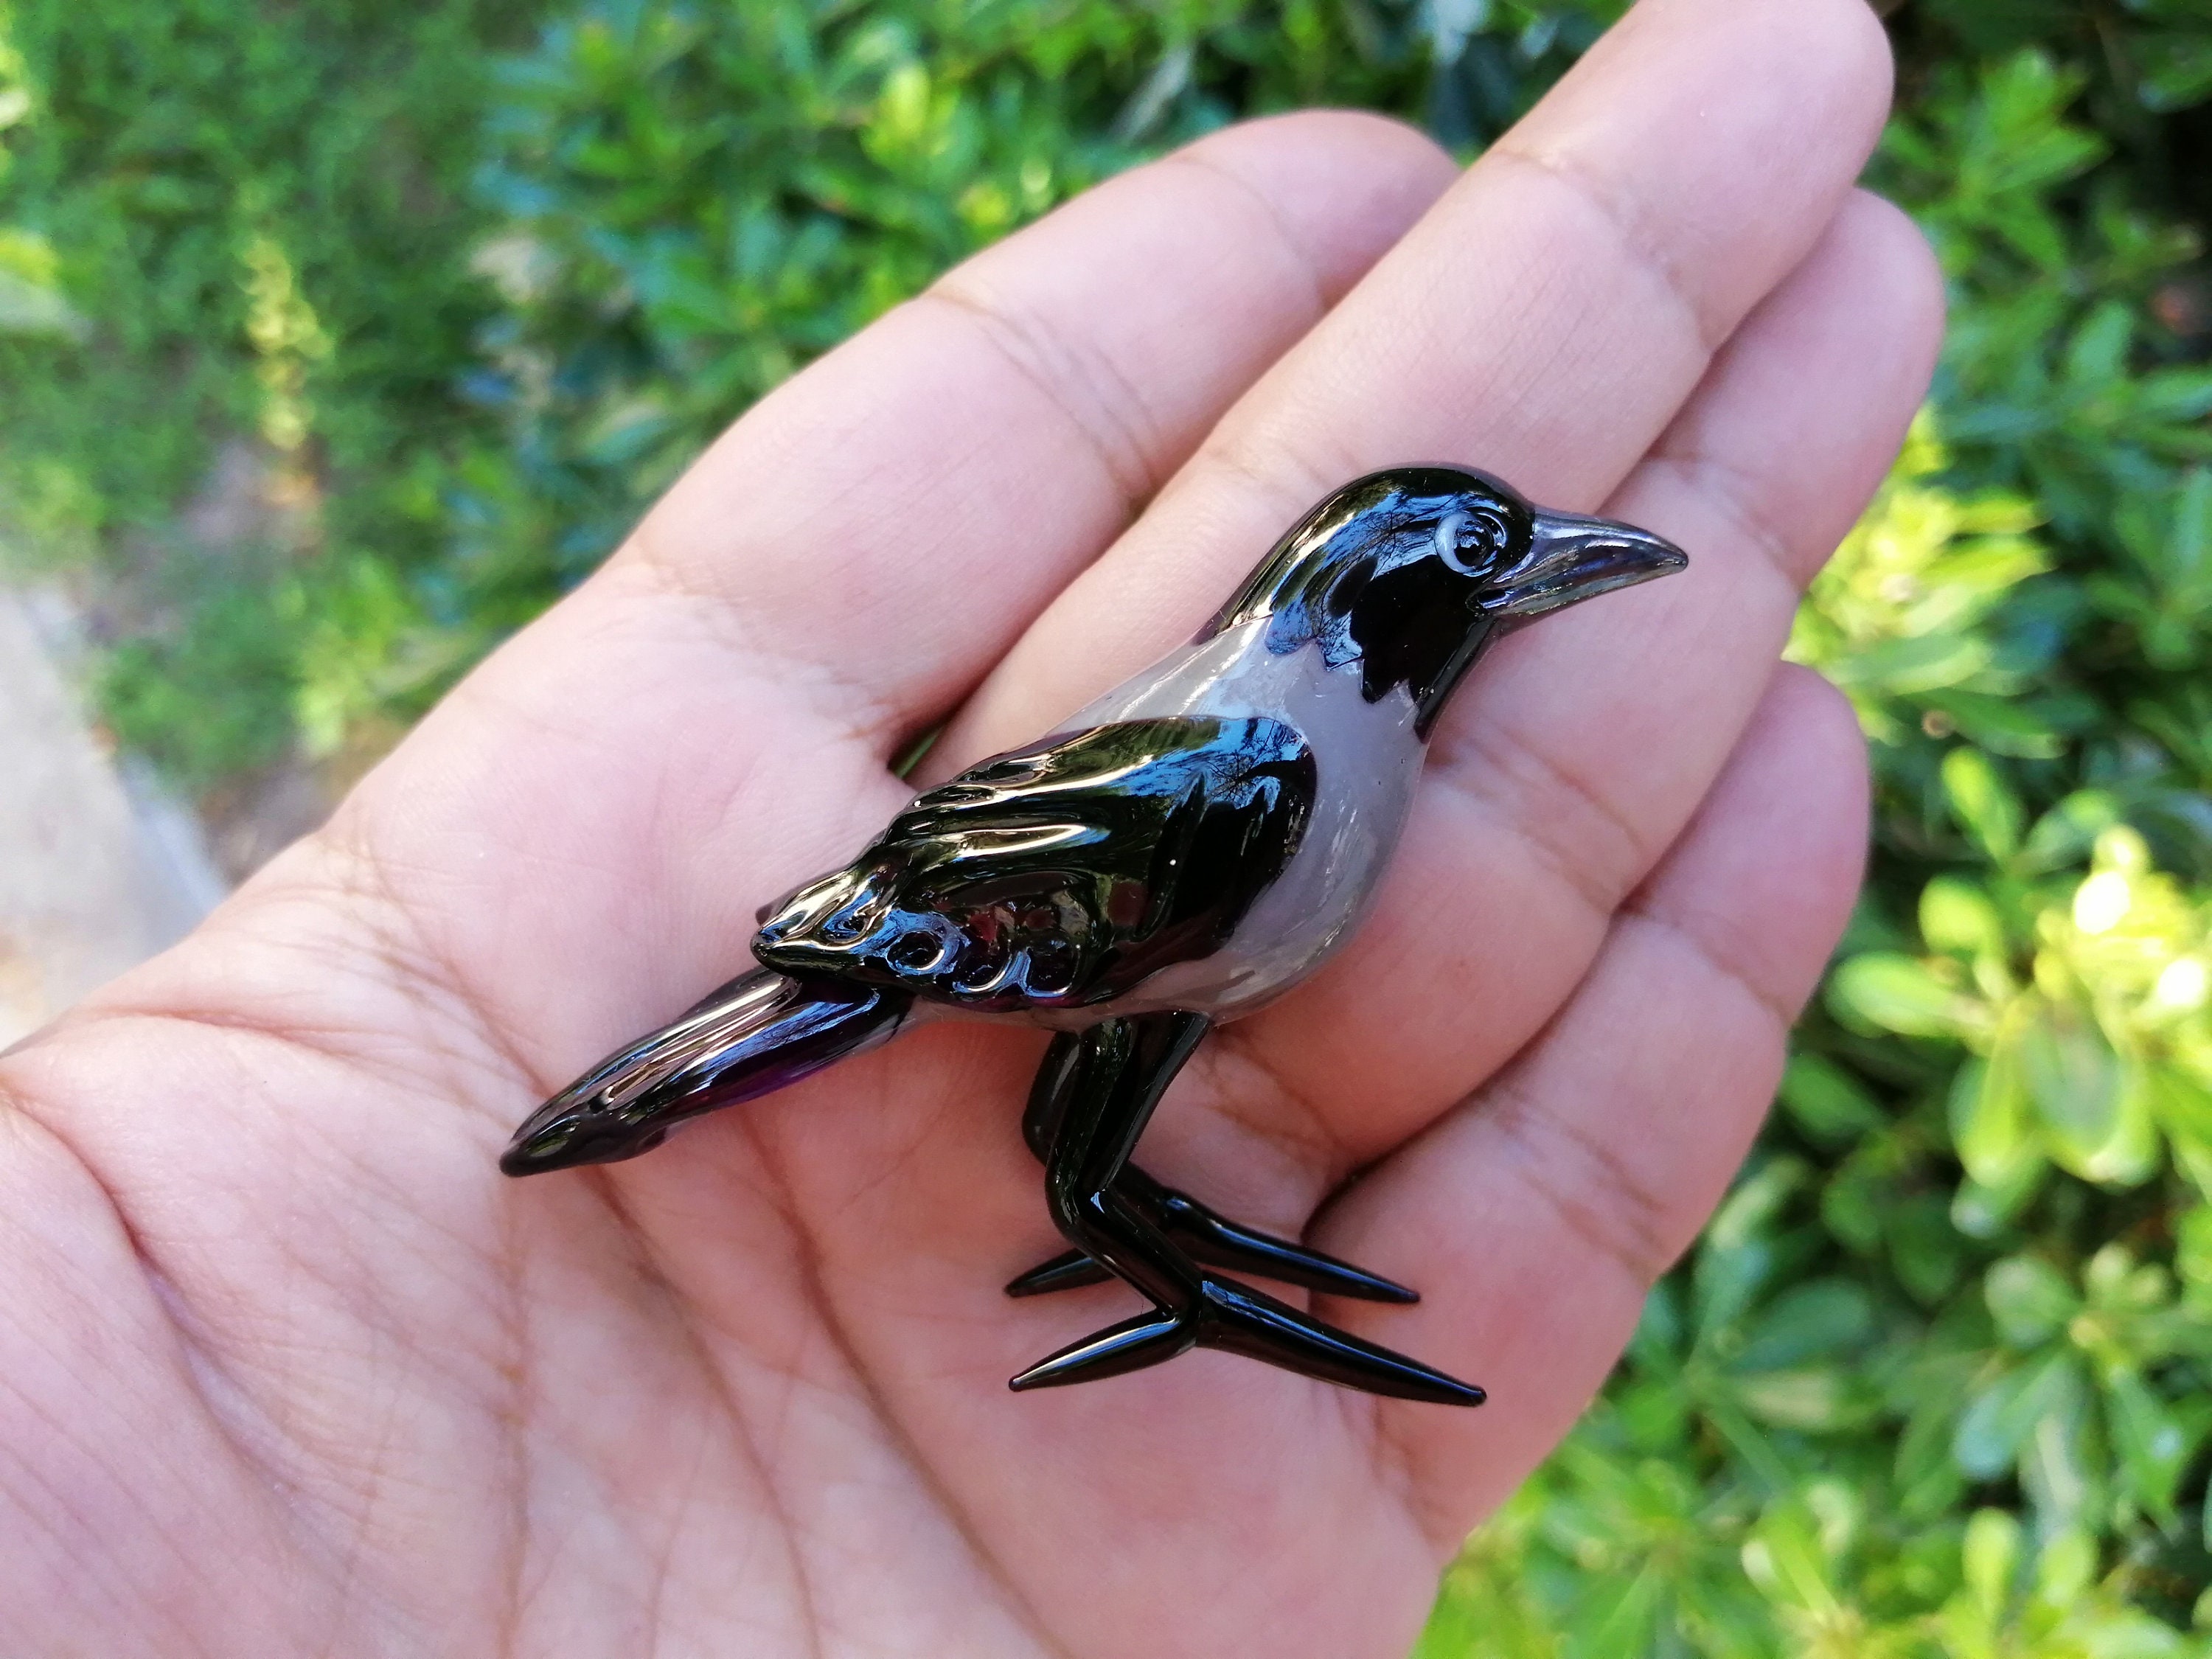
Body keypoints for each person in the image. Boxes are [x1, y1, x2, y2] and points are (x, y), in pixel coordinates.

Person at [0, 0, 1939, 1652]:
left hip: (1125, 967)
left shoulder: (1324, 746)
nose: (1530, 576)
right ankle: (1107, 1220)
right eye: (1491, 558)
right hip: (994, 932)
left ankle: (1131, 1224)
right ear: (1392, 598)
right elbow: (1033, 878)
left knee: (1102, 1119)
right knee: (1011, 1106)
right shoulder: (1261, 767)